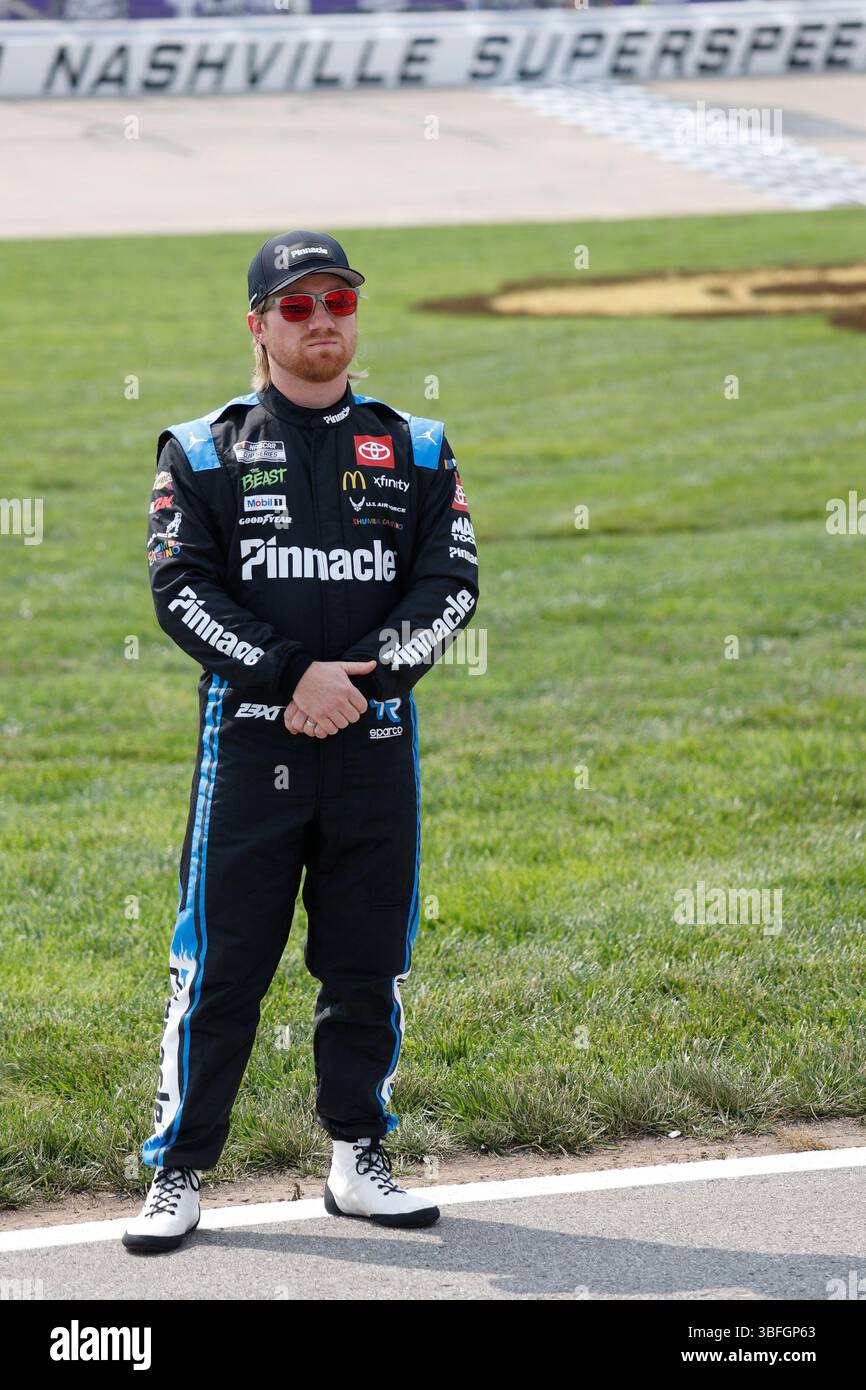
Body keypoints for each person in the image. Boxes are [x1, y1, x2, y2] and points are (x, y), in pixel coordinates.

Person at [122, 231, 480, 1253]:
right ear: (258, 325)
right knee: (223, 961)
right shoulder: (199, 449)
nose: (321, 321)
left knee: (366, 960)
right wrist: (291, 676)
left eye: (337, 303)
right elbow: (179, 590)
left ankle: (356, 1157)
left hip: (374, 740)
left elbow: (446, 586)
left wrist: (359, 680)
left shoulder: (415, 445)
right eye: (296, 307)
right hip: (246, 744)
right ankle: (179, 1168)